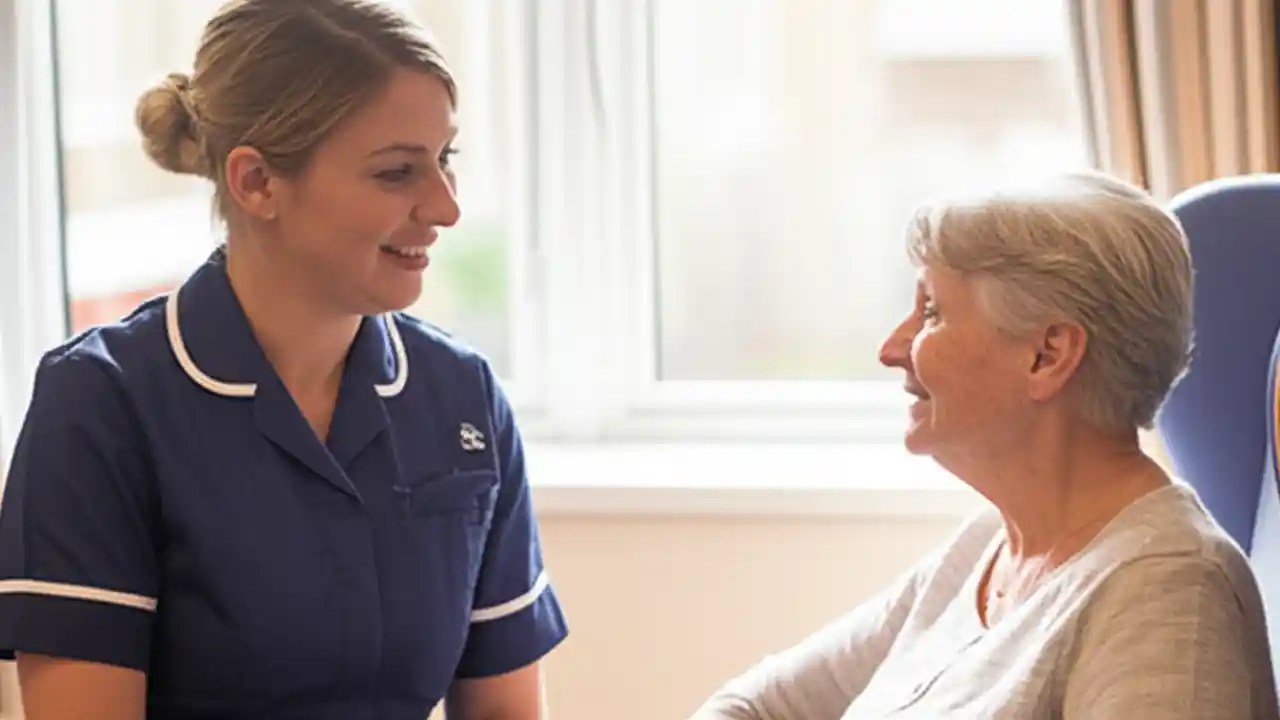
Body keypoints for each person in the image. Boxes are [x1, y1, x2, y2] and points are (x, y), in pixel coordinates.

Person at [0, 1, 566, 718]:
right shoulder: (101, 404)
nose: (447, 207)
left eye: (445, 159)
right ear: (257, 182)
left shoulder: (463, 397)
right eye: (397, 172)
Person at [691, 172, 1278, 719]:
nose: (893, 348)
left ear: (1047, 355)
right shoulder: (985, 548)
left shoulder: (1168, 596)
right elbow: (755, 707)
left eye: (931, 312)